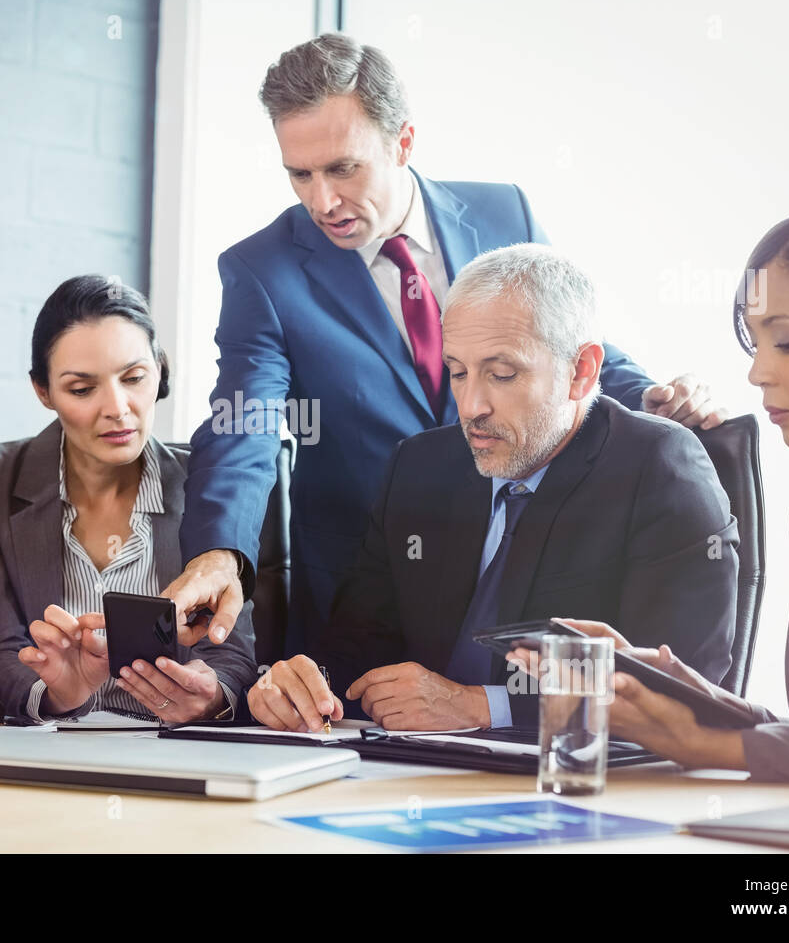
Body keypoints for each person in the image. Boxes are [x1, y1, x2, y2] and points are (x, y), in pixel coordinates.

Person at [164, 33, 727, 661]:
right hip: (371, 597)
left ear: (402, 142)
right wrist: (220, 552)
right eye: (300, 174)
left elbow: (563, 337)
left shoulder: (502, 211)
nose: (322, 200)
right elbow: (246, 424)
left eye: (343, 168)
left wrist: (648, 392)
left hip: (513, 564)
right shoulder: (263, 271)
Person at [508, 196, 789, 784]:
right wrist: (683, 691)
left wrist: (708, 748)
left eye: (788, 342)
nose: (758, 373)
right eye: (756, 344)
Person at [247, 243, 738, 732]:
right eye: (457, 372)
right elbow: (358, 644)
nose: (470, 406)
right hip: (410, 772)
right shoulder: (418, 466)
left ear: (581, 371)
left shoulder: (660, 467)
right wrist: (307, 683)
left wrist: (483, 707)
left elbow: (678, 691)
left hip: (571, 786)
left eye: (502, 374)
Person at [0, 276, 257, 724]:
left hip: (174, 747)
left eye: (134, 378)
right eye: (81, 389)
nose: (117, 407)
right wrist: (55, 695)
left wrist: (209, 697)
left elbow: (231, 653)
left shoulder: (211, 484)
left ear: (160, 372)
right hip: (45, 746)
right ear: (43, 391)